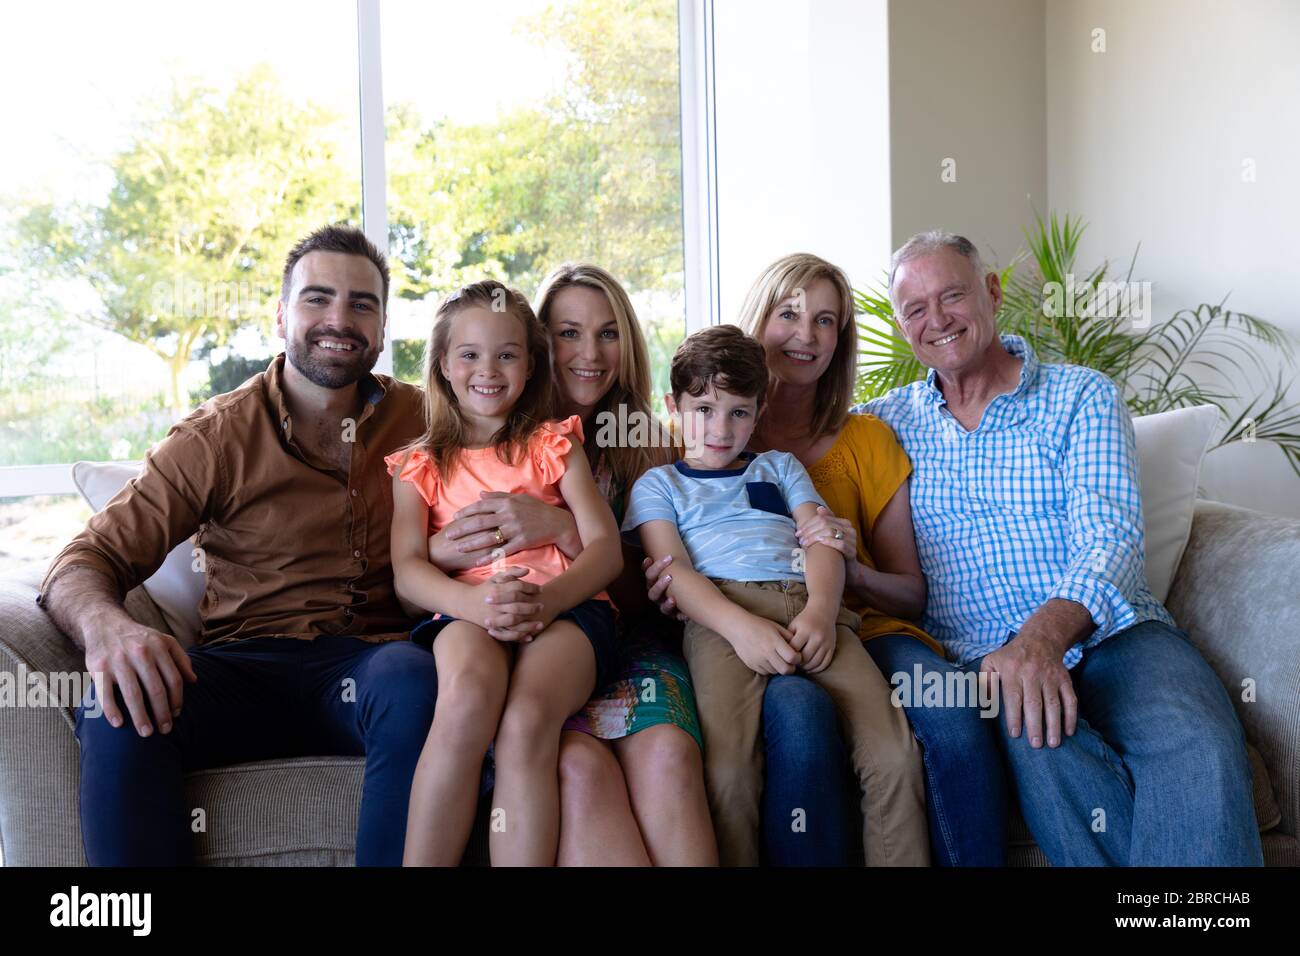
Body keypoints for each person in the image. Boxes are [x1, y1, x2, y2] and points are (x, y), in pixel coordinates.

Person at [858, 230, 1263, 866]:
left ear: (991, 294)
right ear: (902, 325)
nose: (937, 319)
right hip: (983, 658)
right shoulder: (882, 426)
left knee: (1198, 743)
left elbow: (1111, 535)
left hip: (1115, 635)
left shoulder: (1081, 396)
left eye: (953, 296)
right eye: (915, 309)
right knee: (1046, 754)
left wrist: (1042, 641)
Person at [39, 224, 439, 865]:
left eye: (362, 303)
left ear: (383, 327)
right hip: (243, 667)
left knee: (412, 676)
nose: (339, 318)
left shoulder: (427, 421)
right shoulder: (215, 435)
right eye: (318, 298)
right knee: (115, 709)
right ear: (282, 315)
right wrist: (109, 629)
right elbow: (85, 561)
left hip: (369, 664)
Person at [425, 263, 716, 866]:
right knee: (577, 769)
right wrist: (438, 552)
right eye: (568, 333)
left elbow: (661, 590)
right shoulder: (476, 438)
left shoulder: (651, 444)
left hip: (625, 640)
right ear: (535, 347)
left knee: (667, 756)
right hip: (527, 647)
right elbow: (420, 558)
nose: (590, 353)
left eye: (608, 334)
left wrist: (565, 530)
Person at [625, 324, 928, 867]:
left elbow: (823, 540)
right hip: (721, 622)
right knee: (728, 770)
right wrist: (740, 627)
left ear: (759, 412)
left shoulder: (780, 468)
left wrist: (820, 611)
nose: (720, 429)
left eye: (739, 412)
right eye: (703, 409)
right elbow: (673, 572)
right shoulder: (659, 485)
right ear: (673, 405)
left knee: (894, 753)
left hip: (810, 607)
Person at [387, 280, 622, 866]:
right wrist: (476, 607)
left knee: (524, 723)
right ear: (442, 365)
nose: (487, 370)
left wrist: (549, 602)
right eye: (469, 354)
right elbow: (407, 573)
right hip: (468, 612)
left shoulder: (553, 444)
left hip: (567, 610)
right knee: (465, 702)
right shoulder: (418, 466)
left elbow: (606, 550)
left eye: (507, 354)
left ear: (529, 364)